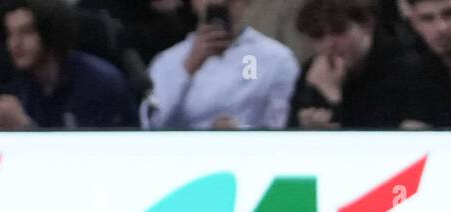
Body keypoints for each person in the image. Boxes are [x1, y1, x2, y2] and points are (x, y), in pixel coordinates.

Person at [0, 0, 140, 130]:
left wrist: (24, 127)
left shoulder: (99, 83)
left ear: (51, 32)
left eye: (26, 32)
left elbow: (88, 163)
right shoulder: (18, 83)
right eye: (10, 34)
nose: (15, 43)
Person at [144, 0, 300, 128]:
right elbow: (151, 124)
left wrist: (240, 132)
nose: (219, 2)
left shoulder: (278, 59)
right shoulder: (167, 62)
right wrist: (188, 68)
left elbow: (282, 126)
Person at [292, 0, 433, 128]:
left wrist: (333, 98)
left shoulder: (407, 64)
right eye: (318, 36)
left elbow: (378, 133)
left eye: (339, 31)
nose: (330, 44)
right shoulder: (313, 70)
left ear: (367, 24)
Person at [403, 0, 451, 125]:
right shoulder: (410, 71)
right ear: (414, 24)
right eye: (428, 19)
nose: (442, 28)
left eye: (449, 14)